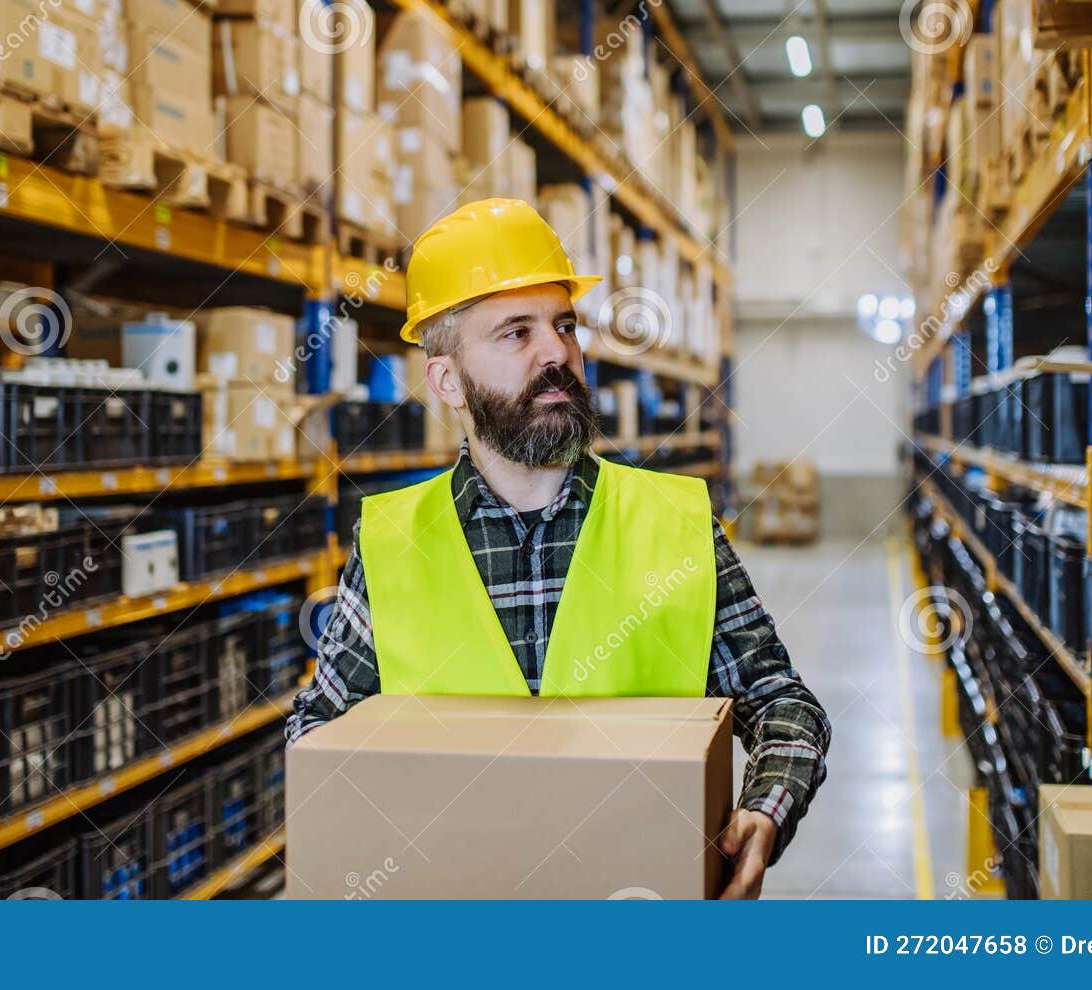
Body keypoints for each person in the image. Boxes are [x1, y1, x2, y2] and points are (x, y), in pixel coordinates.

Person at [287, 198, 829, 899]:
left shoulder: (675, 521)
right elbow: (319, 738)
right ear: (447, 379)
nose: (559, 354)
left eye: (564, 325)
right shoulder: (393, 540)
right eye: (516, 333)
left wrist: (764, 810)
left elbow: (783, 702)